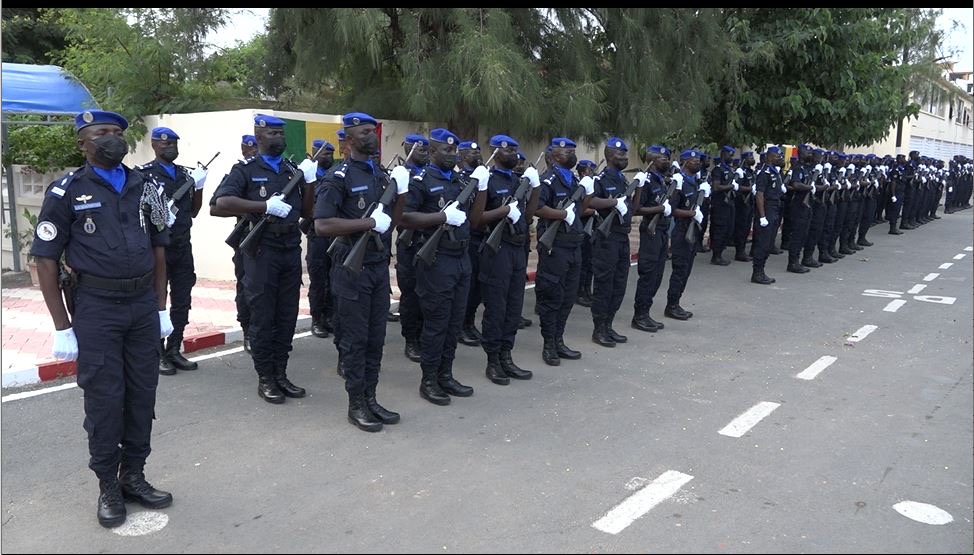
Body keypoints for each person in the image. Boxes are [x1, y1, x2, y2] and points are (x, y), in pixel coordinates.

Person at [32, 110, 174, 527]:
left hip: (141, 306)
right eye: (102, 133)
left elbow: (159, 247)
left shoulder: (145, 185)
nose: (112, 138)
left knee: (142, 394)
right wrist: (62, 326)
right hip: (96, 307)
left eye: (117, 132)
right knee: (105, 399)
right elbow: (45, 260)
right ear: (83, 143)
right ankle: (108, 485)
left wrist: (161, 307)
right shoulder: (66, 190)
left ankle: (134, 475)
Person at [213, 114, 316, 404]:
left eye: (281, 133)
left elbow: (308, 211)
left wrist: (309, 181)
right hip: (262, 251)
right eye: (273, 133)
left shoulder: (291, 170)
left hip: (290, 248)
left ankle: (281, 373)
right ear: (259, 137)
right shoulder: (245, 169)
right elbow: (221, 203)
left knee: (287, 315)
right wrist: (263, 206)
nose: (279, 138)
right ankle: (266, 378)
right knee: (262, 315)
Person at [316, 112, 406, 431]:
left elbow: (393, 221)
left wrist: (402, 191)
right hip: (351, 269)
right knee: (356, 340)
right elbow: (322, 225)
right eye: (365, 132)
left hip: (378, 267)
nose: (372, 136)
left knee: (375, 338)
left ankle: (371, 398)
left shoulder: (380, 175)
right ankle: (356, 404)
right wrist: (367, 222)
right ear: (350, 139)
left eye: (374, 131)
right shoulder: (338, 177)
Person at [401, 128, 485, 405]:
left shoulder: (461, 181)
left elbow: (474, 221)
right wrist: (441, 217)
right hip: (436, 260)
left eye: (454, 150)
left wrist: (482, 188)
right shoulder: (421, 180)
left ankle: (445, 375)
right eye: (446, 150)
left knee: (453, 322)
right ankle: (429, 380)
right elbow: (404, 218)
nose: (452, 154)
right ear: (433, 151)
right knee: (436, 323)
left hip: (461, 259)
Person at [468, 135, 539, 385]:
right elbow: (476, 220)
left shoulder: (519, 181)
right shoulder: (488, 179)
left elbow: (528, 217)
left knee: (513, 307)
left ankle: (506, 356)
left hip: (517, 249)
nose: (514, 154)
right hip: (496, 250)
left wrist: (535, 188)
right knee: (496, 308)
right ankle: (493, 361)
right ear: (496, 152)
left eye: (515, 150)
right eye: (508, 150)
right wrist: (505, 210)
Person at [137, 127, 207, 375]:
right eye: (165, 144)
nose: (170, 148)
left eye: (174, 144)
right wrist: (158, 216)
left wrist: (199, 186)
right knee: (157, 299)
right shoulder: (143, 175)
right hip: (157, 249)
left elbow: (194, 211)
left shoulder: (184, 175)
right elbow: (138, 212)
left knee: (182, 300)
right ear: (154, 145)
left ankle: (174, 348)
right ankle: (156, 352)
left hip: (182, 246)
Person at [535, 138, 593, 365]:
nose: (572, 154)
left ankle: (559, 339)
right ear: (554, 155)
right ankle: (548, 344)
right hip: (555, 247)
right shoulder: (548, 179)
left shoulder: (573, 180)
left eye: (573, 150)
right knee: (552, 296)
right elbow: (538, 208)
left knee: (568, 297)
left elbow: (579, 210)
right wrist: (561, 215)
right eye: (567, 151)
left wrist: (587, 192)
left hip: (573, 245)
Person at [587, 138, 641, 347]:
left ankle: (608, 325)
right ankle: (599, 328)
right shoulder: (600, 179)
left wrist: (639, 188)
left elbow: (632, 209)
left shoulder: (623, 180)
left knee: (619, 284)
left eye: (625, 154)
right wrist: (613, 202)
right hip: (606, 238)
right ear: (609, 155)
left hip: (622, 238)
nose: (625, 158)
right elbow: (590, 201)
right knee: (604, 285)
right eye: (621, 154)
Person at [210, 134, 258, 352]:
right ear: (243, 150)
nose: (253, 153)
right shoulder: (237, 175)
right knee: (245, 287)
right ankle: (248, 331)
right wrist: (247, 210)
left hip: (270, 241)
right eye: (249, 149)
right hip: (246, 238)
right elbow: (215, 208)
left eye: (256, 149)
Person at [395, 133, 431, 362]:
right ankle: (411, 339)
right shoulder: (401, 174)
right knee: (411, 294)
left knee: (429, 293)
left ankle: (425, 335)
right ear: (407, 148)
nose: (424, 152)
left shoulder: (430, 174)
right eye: (419, 148)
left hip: (430, 242)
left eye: (426, 149)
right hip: (409, 242)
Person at [665, 149, 710, 318]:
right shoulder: (679, 182)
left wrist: (704, 195)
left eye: (699, 160)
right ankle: (671, 305)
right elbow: (671, 209)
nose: (698, 162)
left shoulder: (695, 182)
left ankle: (676, 302)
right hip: (682, 230)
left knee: (687, 270)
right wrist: (691, 214)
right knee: (680, 270)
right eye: (694, 160)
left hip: (693, 231)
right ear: (684, 162)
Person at [631, 145, 672, 332]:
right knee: (648, 275)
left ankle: (646, 312)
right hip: (650, 231)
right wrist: (660, 209)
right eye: (664, 158)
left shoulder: (661, 180)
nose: (667, 161)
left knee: (657, 275)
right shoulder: (646, 181)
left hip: (661, 231)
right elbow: (637, 209)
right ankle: (639, 315)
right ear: (653, 161)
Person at [305, 139, 336, 338]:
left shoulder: (334, 175)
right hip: (317, 235)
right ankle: (317, 319)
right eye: (325, 153)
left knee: (333, 278)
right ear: (315, 152)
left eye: (331, 154)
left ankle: (329, 317)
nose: (329, 157)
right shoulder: (309, 175)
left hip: (334, 233)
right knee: (318, 279)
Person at [458, 140, 486, 347]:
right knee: (466, 287)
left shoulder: (483, 176)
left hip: (482, 237)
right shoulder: (460, 179)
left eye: (477, 152)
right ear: (461, 156)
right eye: (471, 153)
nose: (476, 155)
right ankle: (461, 325)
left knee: (477, 286)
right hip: (467, 237)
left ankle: (469, 321)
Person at [750, 146, 786, 284]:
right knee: (762, 243)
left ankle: (762, 271)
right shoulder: (764, 172)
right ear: (770, 157)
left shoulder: (774, 172)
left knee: (769, 243)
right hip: (766, 209)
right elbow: (760, 195)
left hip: (774, 208)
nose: (779, 158)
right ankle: (757, 273)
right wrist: (763, 216)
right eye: (777, 156)